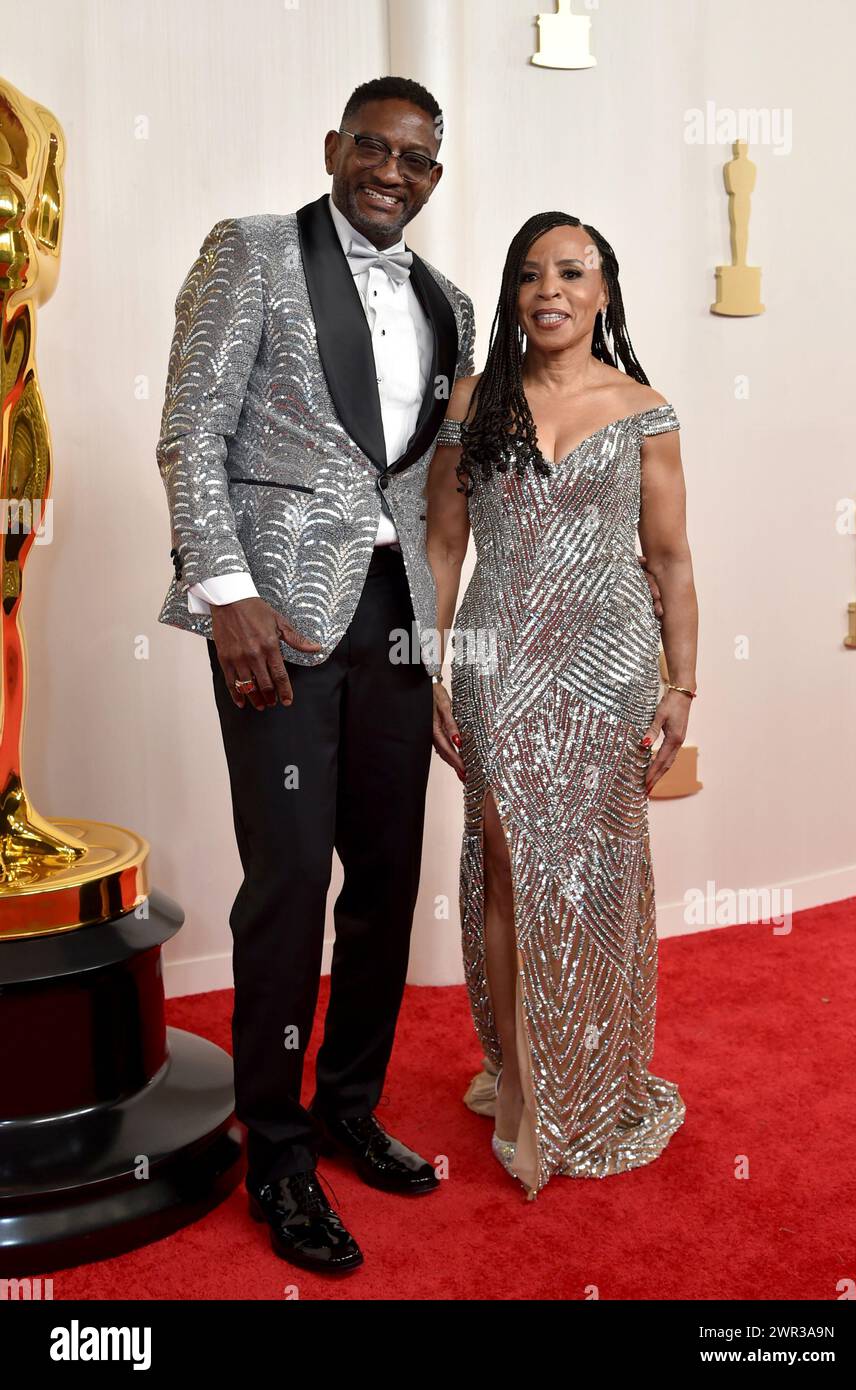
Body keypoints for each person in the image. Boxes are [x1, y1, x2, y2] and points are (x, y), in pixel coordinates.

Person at [154, 76, 476, 1273]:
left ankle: (350, 1103)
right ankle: (279, 1150)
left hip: (396, 621)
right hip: (278, 618)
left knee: (387, 873)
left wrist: (446, 642)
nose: (393, 172)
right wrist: (225, 592)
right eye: (375, 148)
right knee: (289, 879)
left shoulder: (451, 303)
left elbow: (435, 484)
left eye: (418, 159)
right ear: (336, 147)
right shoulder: (250, 251)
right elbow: (193, 429)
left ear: (436, 176)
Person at [425, 212, 697, 1199]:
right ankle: (526, 1089)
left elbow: (669, 559)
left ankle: (599, 1075)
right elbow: (443, 547)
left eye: (571, 273)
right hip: (500, 662)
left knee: (599, 868)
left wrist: (681, 683)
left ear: (603, 293)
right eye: (532, 274)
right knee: (505, 858)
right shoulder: (473, 403)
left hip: (613, 662)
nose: (550, 290)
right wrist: (430, 666)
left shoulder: (644, 408)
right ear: (512, 295)